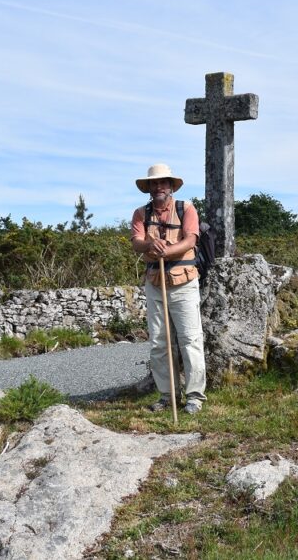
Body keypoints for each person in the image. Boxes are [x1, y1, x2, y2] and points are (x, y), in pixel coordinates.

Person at [130, 163, 206, 414]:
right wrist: (151, 246)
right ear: (149, 188)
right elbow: (137, 242)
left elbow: (190, 240)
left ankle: (195, 397)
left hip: (184, 283)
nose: (159, 186)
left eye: (163, 182)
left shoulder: (187, 209)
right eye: (154, 183)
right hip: (155, 284)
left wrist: (165, 250)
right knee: (159, 342)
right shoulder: (140, 214)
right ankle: (167, 395)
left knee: (190, 339)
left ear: (171, 186)